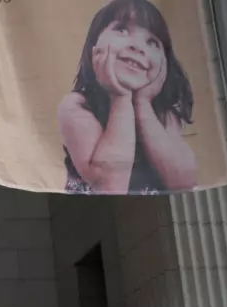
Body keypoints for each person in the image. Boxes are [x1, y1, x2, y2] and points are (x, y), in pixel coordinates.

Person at [58, 0, 197, 195]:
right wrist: (121, 98)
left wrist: (143, 103)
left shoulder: (163, 113)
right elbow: (110, 185)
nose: (138, 47)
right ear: (94, 47)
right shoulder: (77, 106)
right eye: (122, 30)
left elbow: (183, 181)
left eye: (152, 42)